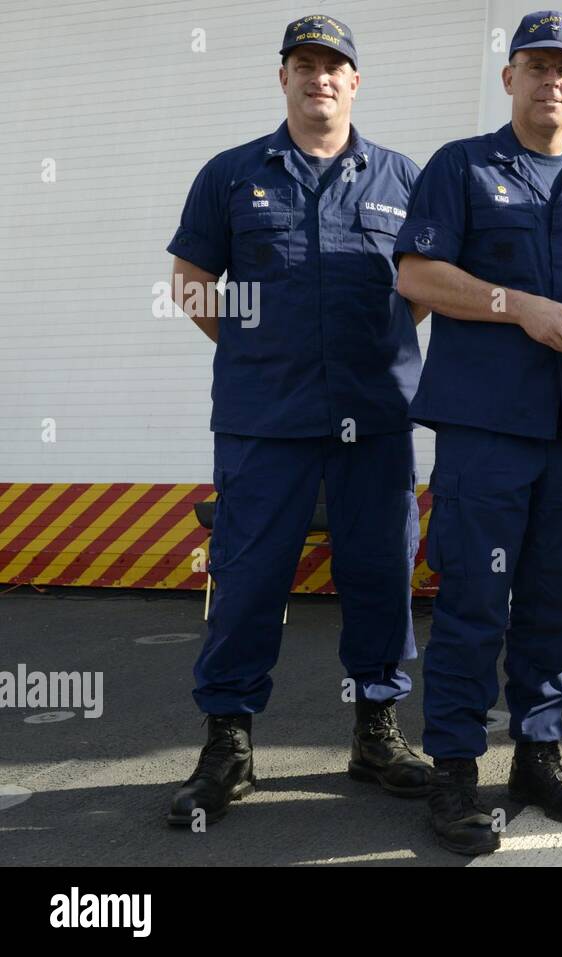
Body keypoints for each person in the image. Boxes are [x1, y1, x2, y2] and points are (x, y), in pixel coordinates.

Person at [164, 14, 433, 827]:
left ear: (355, 82)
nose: (320, 77)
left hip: (374, 418)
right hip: (263, 422)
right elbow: (189, 282)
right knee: (246, 580)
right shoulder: (231, 174)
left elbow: (422, 289)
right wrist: (258, 349)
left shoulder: (402, 178)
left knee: (381, 575)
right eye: (305, 63)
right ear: (282, 77)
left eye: (335, 66)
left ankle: (376, 732)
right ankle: (228, 743)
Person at [393, 10, 562, 856]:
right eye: (536, 66)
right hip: (487, 429)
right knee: (473, 604)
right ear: (510, 80)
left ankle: (537, 751)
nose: (551, 82)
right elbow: (416, 274)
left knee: (559, 604)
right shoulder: (462, 167)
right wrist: (514, 305)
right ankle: (455, 767)